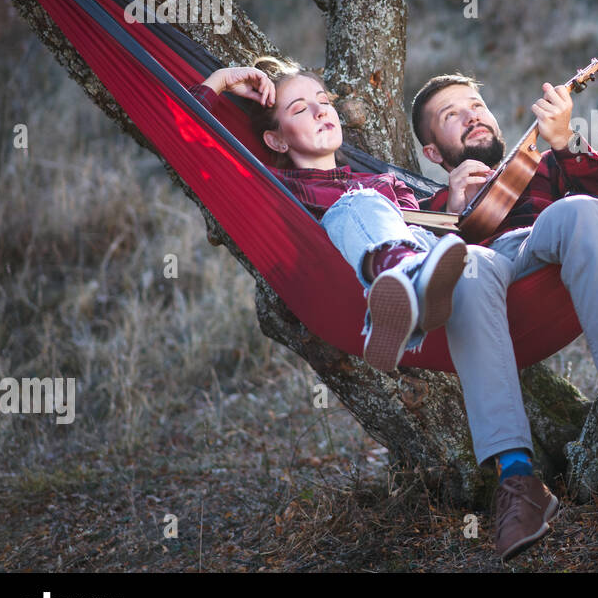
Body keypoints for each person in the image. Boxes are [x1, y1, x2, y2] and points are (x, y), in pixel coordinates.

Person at [410, 73, 598, 560]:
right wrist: (454, 216)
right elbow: (422, 274)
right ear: (433, 154)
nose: (472, 116)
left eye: (475, 104)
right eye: (451, 115)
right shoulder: (428, 209)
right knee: (465, 266)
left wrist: (566, 139)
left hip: (547, 247)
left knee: (583, 211)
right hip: (484, 273)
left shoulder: (546, 166)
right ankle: (517, 477)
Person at [188, 60, 468, 373]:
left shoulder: (386, 182)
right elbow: (191, 139)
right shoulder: (275, 186)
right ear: (277, 140)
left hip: (420, 257)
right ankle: (403, 281)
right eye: (299, 109)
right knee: (356, 204)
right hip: (342, 280)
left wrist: (455, 209)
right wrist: (221, 80)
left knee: (472, 255)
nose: (320, 111)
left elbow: (419, 229)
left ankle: (400, 306)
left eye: (323, 102)